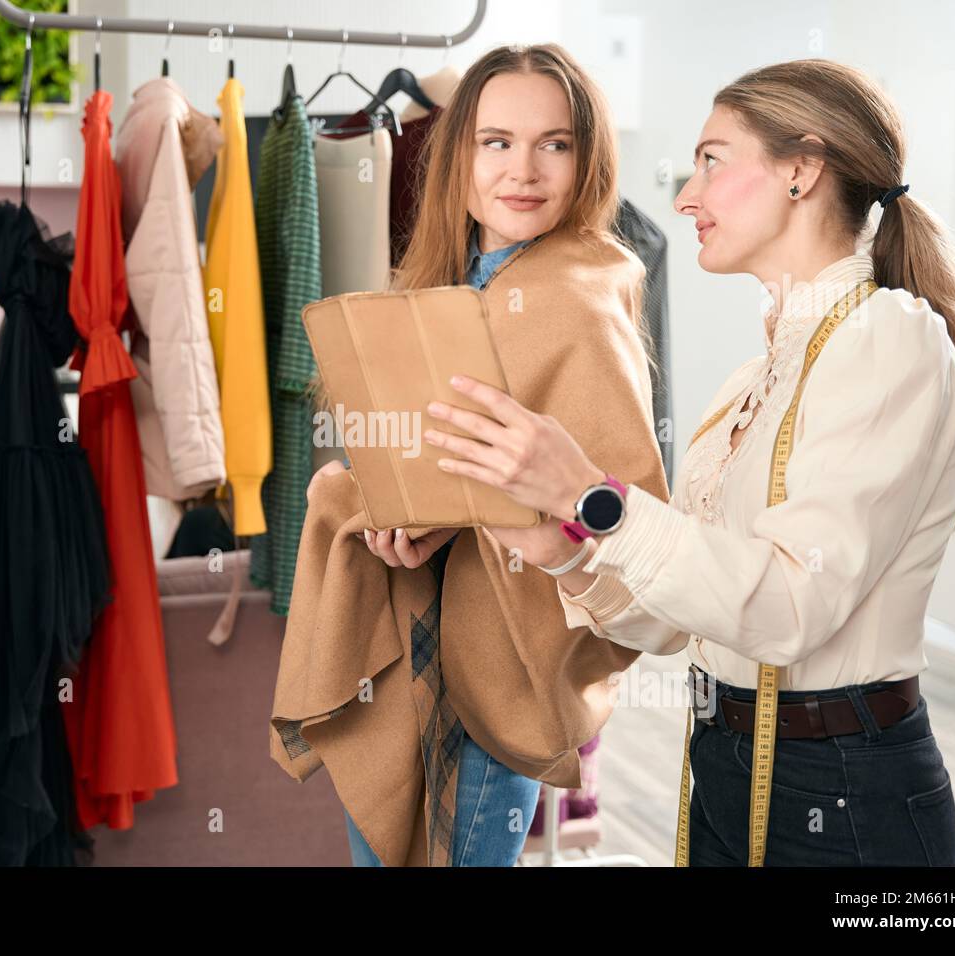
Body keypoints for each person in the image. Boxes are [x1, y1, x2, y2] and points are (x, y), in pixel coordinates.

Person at [425, 58, 955, 866]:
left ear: (800, 170)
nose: (685, 197)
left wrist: (596, 497)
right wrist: (565, 549)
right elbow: (682, 616)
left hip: (840, 792)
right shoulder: (759, 373)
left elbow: (789, 611)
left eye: (711, 160)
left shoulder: (888, 340)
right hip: (726, 758)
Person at [270, 44, 667, 867]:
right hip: (408, 629)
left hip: (496, 668)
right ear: (459, 158)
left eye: (554, 143)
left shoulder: (580, 302)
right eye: (497, 142)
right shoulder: (442, 282)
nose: (523, 169)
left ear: (586, 159)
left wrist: (489, 521)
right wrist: (392, 508)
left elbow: (629, 523)